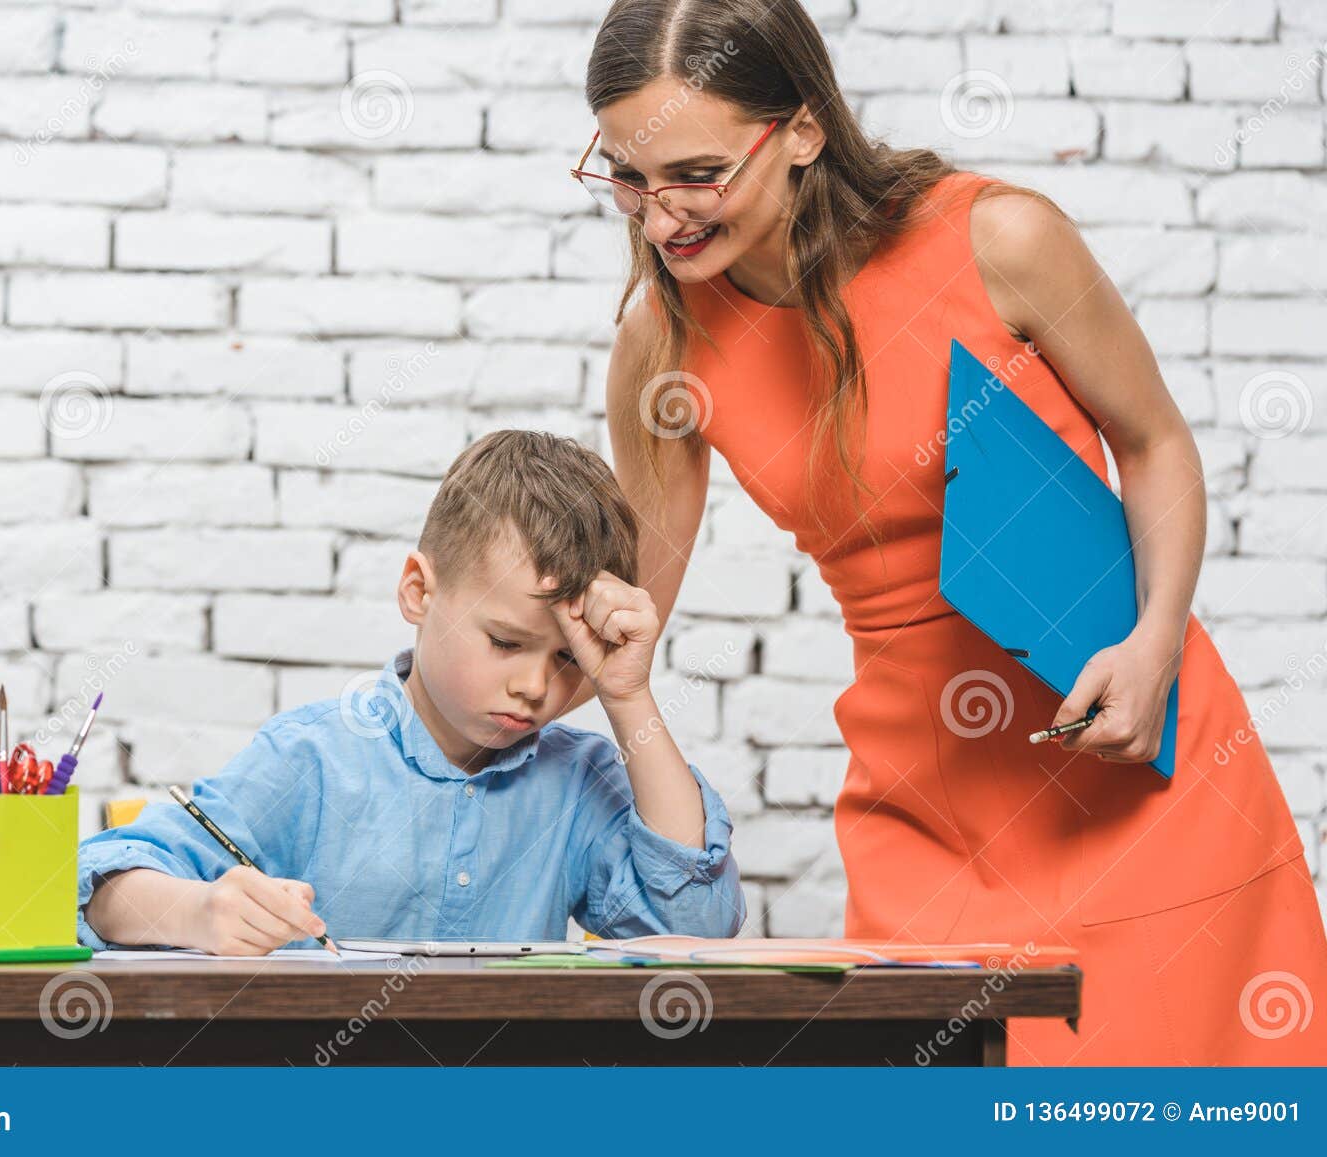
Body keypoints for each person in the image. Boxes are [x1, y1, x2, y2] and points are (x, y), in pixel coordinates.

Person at [563, 0, 1327, 1063]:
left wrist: (1155, 647)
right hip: (927, 801)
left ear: (800, 131)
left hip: (1128, 742)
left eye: (696, 173)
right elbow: (630, 598)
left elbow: (1152, 442)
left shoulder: (998, 239)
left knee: (1189, 1109)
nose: (659, 218)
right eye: (628, 177)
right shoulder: (666, 337)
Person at [77, 429, 745, 954]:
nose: (537, 686)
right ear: (419, 591)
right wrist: (199, 911)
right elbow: (99, 886)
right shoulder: (310, 759)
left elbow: (697, 927)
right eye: (507, 642)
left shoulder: (576, 781)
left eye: (572, 659)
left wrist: (627, 695)